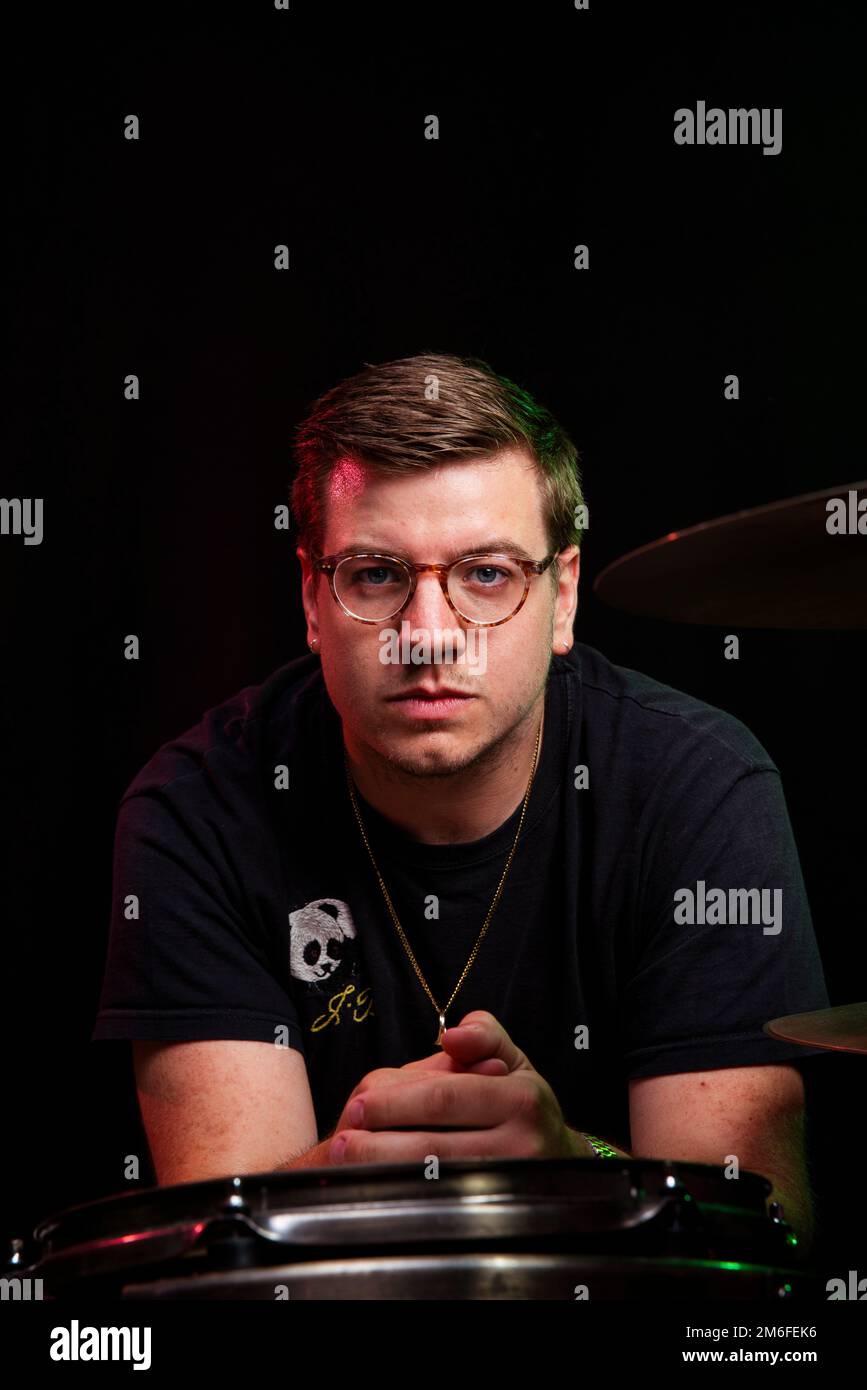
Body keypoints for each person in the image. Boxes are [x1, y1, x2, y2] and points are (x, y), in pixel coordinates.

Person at [92, 352, 830, 1252]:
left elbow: (760, 1246)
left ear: (560, 598)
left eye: (485, 574)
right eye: (374, 575)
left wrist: (567, 1161)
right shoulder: (197, 809)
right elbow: (223, 1258)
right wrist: (376, 1168)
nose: (426, 639)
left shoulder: (698, 787)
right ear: (311, 601)